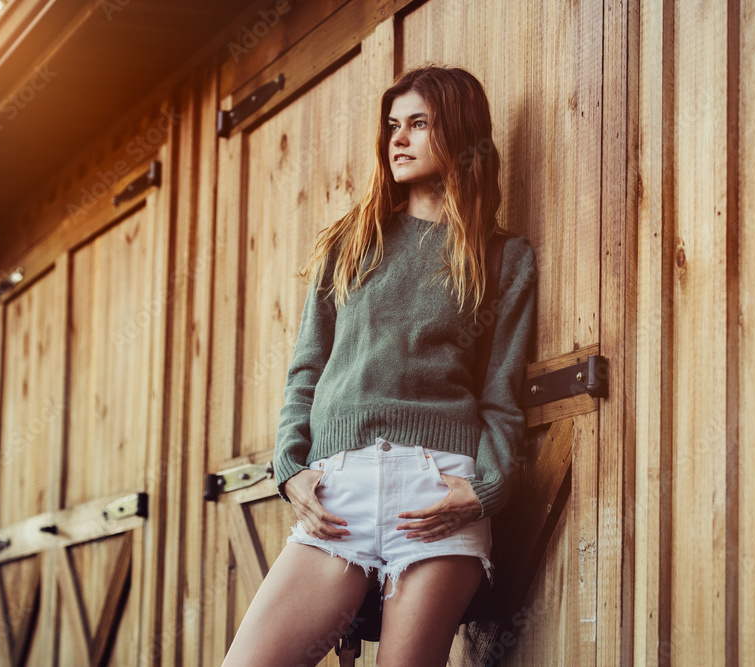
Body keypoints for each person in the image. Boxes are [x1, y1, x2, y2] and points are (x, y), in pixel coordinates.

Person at [221, 65, 538, 667]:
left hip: (434, 494)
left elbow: (502, 396)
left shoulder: (502, 258)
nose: (399, 139)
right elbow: (306, 370)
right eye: (393, 125)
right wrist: (290, 468)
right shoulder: (349, 243)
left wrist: (486, 489)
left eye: (419, 124)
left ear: (461, 134)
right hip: (338, 495)